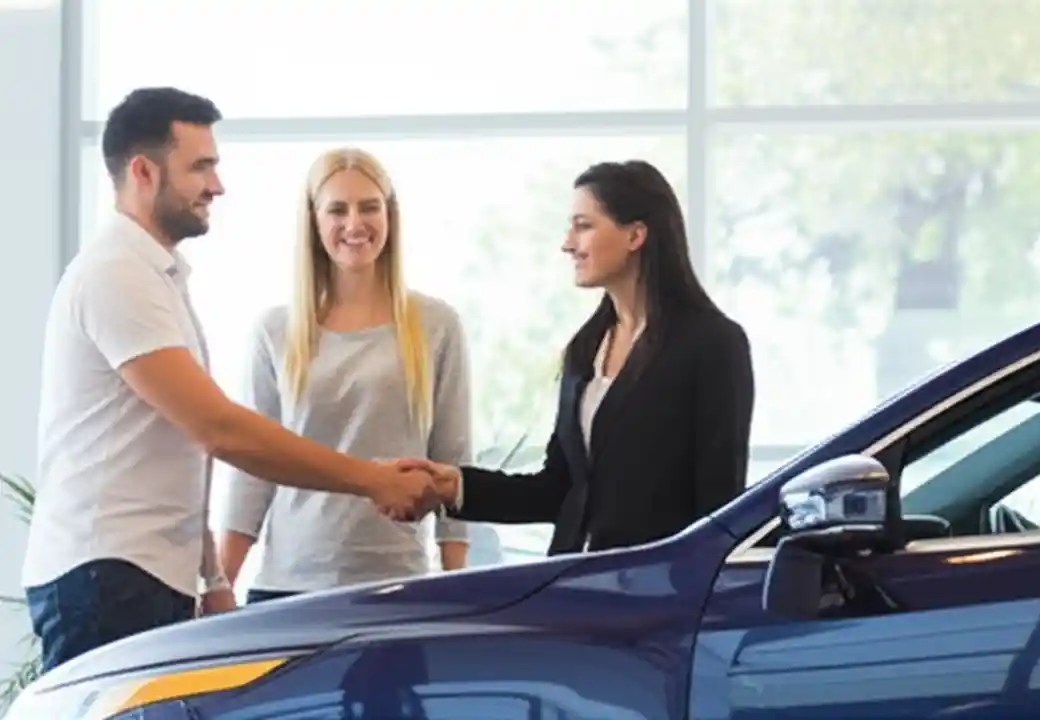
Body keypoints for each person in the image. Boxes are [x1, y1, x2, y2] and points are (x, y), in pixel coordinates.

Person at [21, 88, 442, 673]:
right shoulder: (116, 276)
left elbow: (182, 455)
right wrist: (371, 480)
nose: (217, 185)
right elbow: (219, 428)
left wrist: (214, 579)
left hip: (139, 576)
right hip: (106, 579)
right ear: (143, 172)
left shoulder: (157, 277)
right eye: (201, 167)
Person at [416, 160, 755, 554]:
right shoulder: (586, 348)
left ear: (636, 234)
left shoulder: (713, 344)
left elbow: (720, 504)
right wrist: (455, 486)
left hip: (659, 596)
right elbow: (558, 489)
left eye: (583, 225)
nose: (567, 243)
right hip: (573, 588)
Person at [215, 148, 472, 603]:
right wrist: (219, 584)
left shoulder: (435, 324)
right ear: (314, 221)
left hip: (398, 584)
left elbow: (453, 459)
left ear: (390, 216)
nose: (355, 224)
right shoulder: (276, 330)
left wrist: (457, 586)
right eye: (337, 209)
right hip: (289, 586)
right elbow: (253, 469)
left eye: (369, 207)